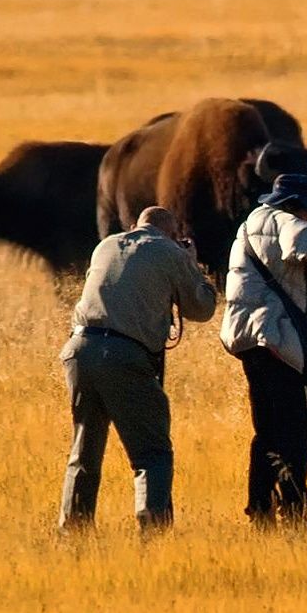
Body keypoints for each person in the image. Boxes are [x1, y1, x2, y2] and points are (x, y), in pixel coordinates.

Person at [58, 207, 219, 533]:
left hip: (78, 350)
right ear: (172, 234)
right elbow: (201, 308)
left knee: (84, 451)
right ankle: (153, 532)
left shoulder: (106, 244)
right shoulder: (170, 252)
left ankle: (73, 531)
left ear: (135, 226)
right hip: (123, 354)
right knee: (152, 453)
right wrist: (192, 264)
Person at [220, 173, 307, 525]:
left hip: (246, 339)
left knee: (267, 430)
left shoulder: (249, 225)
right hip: (276, 336)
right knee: (297, 432)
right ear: (295, 205)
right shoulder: (289, 223)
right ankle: (293, 507)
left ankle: (259, 507)